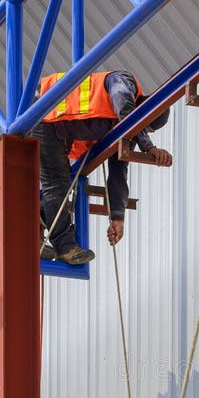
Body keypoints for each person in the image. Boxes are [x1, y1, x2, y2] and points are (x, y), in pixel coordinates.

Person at [33, 71, 172, 264]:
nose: (142, 133)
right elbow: (123, 103)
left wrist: (117, 216)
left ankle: (37, 222)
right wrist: (148, 146)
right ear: (144, 110)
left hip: (57, 128)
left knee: (60, 187)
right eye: (145, 128)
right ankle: (64, 247)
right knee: (57, 185)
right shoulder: (124, 81)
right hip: (43, 112)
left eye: (146, 131)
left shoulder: (126, 130)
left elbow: (118, 173)